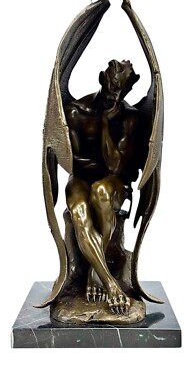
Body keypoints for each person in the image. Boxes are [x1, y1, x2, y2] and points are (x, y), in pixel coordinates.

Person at [63, 59, 141, 314]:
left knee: (102, 192)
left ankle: (95, 274)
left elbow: (115, 167)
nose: (115, 95)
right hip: (80, 178)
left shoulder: (130, 118)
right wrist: (100, 166)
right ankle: (110, 282)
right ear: (101, 79)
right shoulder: (76, 112)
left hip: (113, 183)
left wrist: (106, 124)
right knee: (78, 211)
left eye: (122, 90)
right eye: (112, 87)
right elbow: (73, 162)